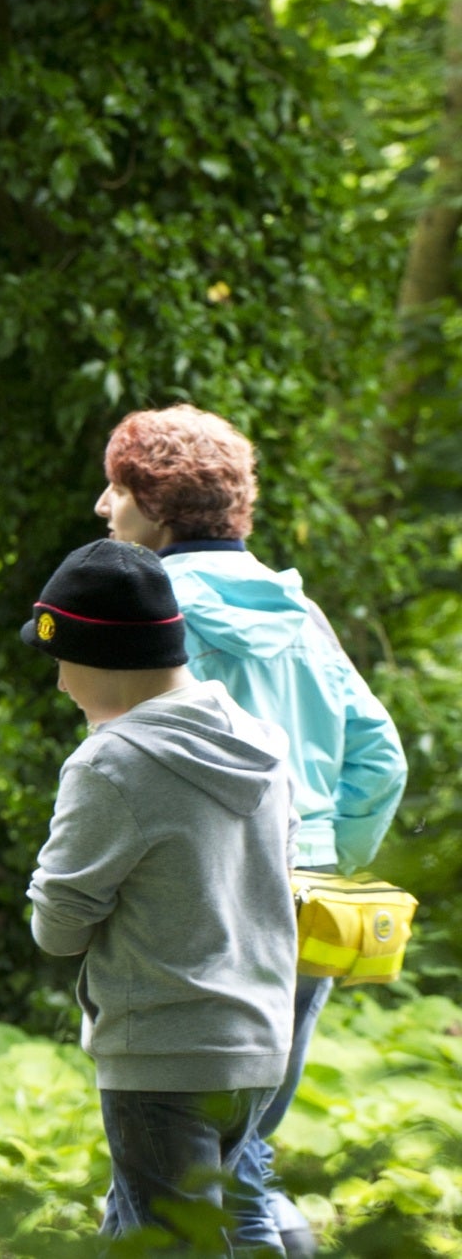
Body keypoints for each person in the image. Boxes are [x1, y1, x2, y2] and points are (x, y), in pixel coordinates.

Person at [98, 405, 407, 1258]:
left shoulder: (149, 608)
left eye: (117, 488)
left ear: (156, 507)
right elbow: (381, 757)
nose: (102, 506)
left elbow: (126, 768)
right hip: (307, 908)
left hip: (195, 902)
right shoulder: (297, 612)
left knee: (177, 1153)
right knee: (236, 1154)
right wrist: (320, 852)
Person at [24, 539, 299, 1257]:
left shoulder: (111, 763)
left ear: (102, 660)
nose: (59, 684)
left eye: (62, 663)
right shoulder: (263, 745)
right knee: (201, 1229)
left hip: (162, 1054)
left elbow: (58, 927)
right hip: (256, 1049)